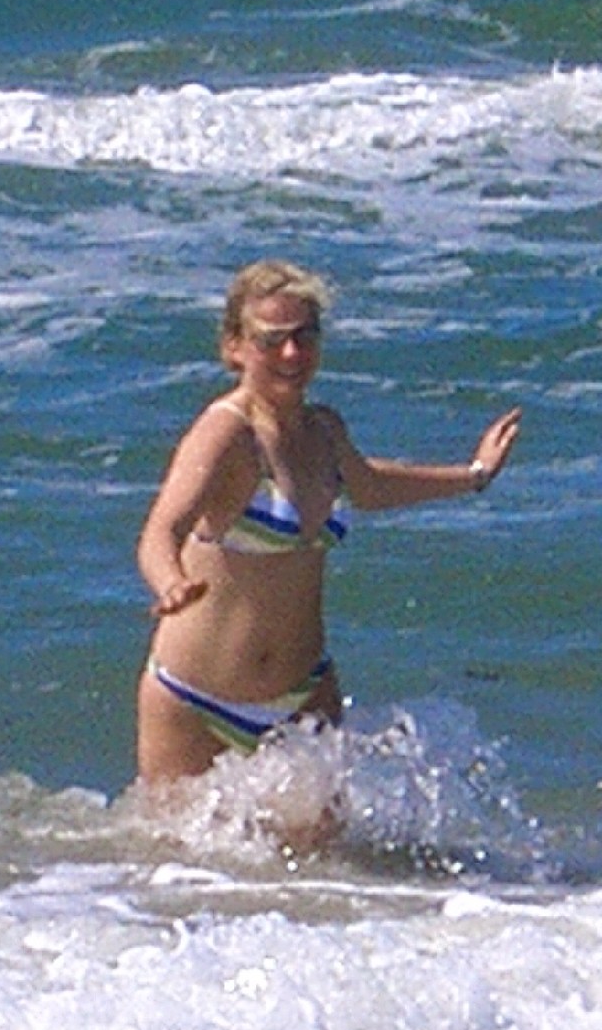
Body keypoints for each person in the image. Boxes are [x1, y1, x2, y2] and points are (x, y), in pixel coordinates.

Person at [135, 259, 522, 785]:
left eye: (305, 336)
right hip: (199, 699)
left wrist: (474, 474)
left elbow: (371, 486)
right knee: (177, 843)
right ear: (234, 347)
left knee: (335, 843)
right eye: (271, 340)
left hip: (304, 693)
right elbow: (162, 529)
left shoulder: (324, 430)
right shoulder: (226, 433)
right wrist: (170, 582)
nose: (291, 353)